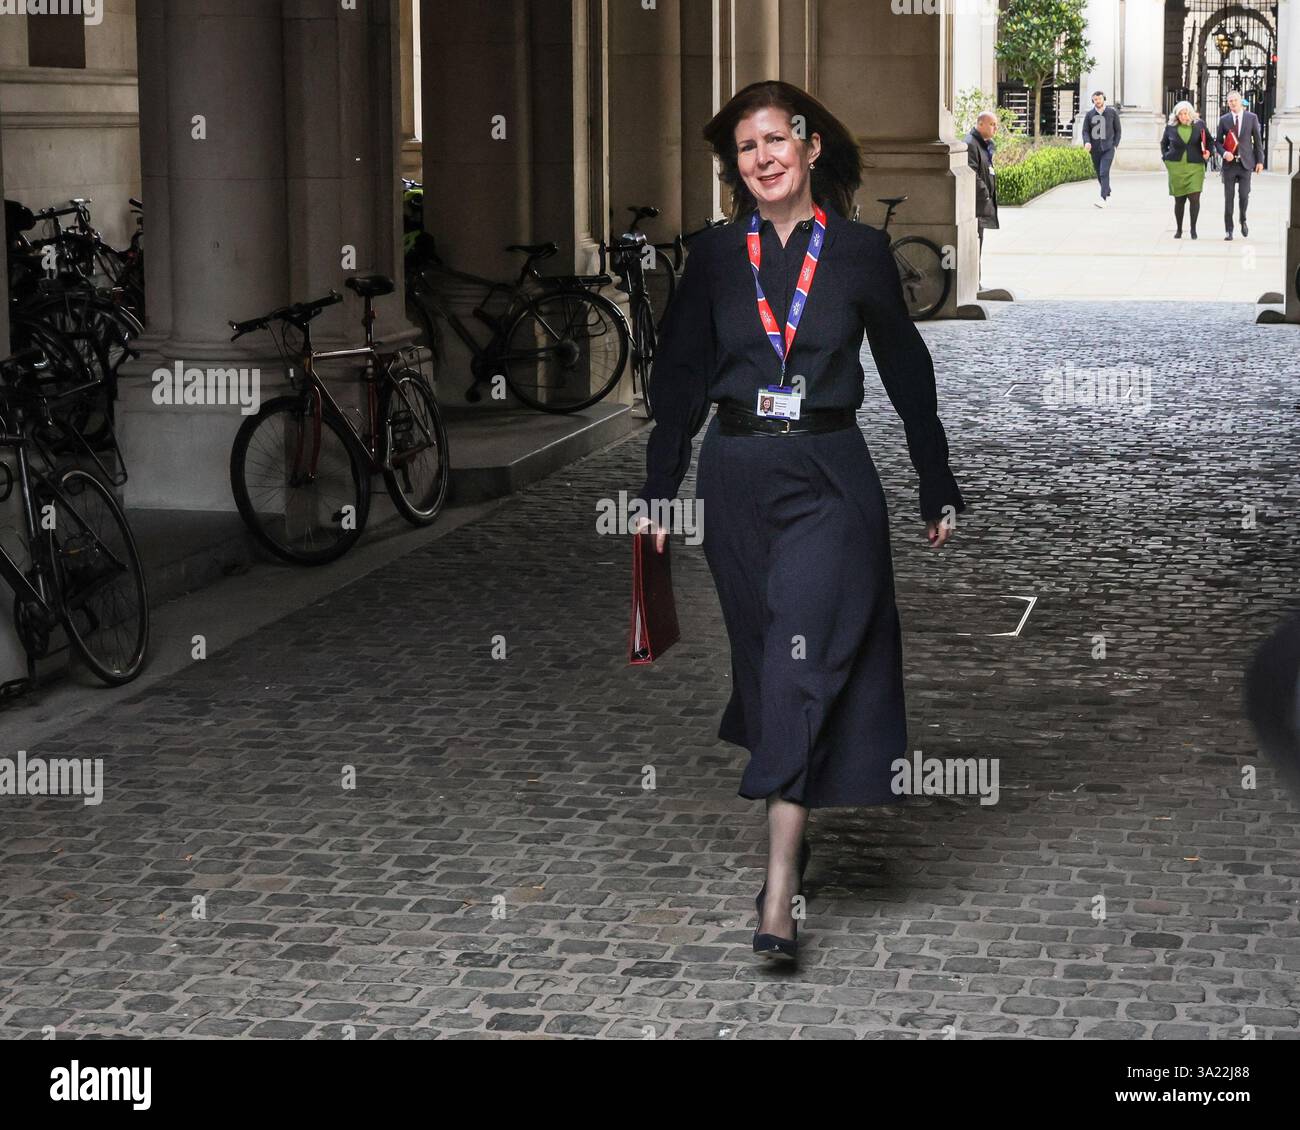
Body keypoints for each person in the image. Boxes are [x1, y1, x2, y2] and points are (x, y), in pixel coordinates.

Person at [631, 80, 966, 964]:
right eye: (745, 149)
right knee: (764, 657)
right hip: (736, 480)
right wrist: (660, 490)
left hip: (830, 480)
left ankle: (778, 893)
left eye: (775, 140)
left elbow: (907, 370)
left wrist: (937, 480)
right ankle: (796, 821)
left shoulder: (856, 253)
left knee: (799, 663)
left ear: (811, 147)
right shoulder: (711, 255)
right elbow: (678, 382)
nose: (762, 159)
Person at [1215, 89, 1265, 240]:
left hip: (1246, 164)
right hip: (1229, 165)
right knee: (1228, 198)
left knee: (1244, 196)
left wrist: (1260, 161)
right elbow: (1217, 142)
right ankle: (1228, 230)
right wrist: (1224, 153)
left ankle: (1243, 219)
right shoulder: (1224, 119)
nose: (1232, 103)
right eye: (1229, 101)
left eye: (1234, 100)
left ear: (1240, 101)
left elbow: (1257, 141)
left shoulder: (1252, 118)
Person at [1160, 101, 1212, 240]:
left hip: (1195, 167)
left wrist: (1208, 152)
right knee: (1180, 200)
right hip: (1176, 168)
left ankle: (1193, 229)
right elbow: (1163, 144)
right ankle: (1179, 229)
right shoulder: (1170, 127)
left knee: (1194, 198)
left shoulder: (1199, 125)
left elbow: (1210, 141)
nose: (1183, 116)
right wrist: (1165, 157)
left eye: (1185, 113)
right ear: (1176, 116)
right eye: (1180, 114)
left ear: (1190, 113)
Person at [966, 110, 999, 284]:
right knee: (975, 245)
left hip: (982, 204)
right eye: (992, 124)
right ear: (980, 124)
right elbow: (971, 173)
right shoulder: (971, 144)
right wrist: (985, 193)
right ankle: (974, 284)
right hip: (976, 205)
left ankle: (976, 283)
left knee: (979, 243)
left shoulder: (985, 145)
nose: (996, 128)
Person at [1081, 90, 1122, 208]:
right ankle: (1107, 190)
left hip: (1108, 148)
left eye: (1099, 99)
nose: (1097, 101)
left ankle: (1103, 199)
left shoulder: (1112, 113)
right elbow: (1085, 131)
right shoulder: (1089, 115)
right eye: (1095, 100)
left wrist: (1115, 144)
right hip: (1095, 149)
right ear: (1093, 101)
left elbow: (1118, 130)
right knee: (1099, 173)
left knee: (1104, 171)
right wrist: (1087, 142)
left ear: (1104, 99)